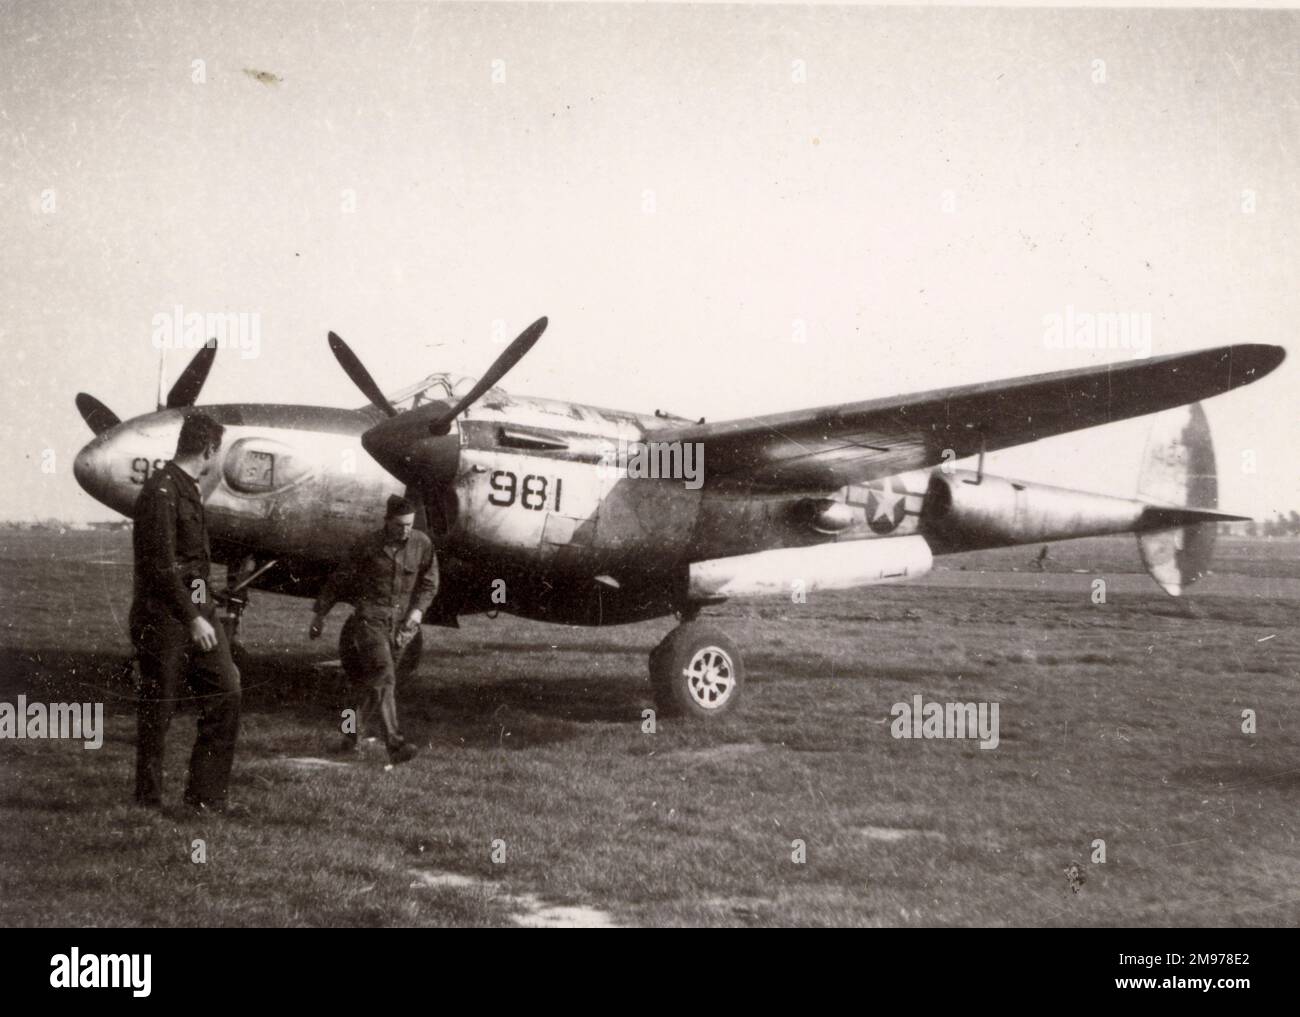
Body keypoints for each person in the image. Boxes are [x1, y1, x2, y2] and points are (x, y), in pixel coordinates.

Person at [131, 411, 243, 815]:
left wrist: (204, 610)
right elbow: (160, 565)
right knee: (159, 707)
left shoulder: (187, 488)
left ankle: (205, 797)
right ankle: (148, 800)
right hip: (162, 617)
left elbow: (193, 564)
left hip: (195, 610)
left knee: (227, 690)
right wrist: (192, 617)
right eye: (219, 449)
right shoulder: (162, 492)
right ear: (210, 449)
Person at [309, 495, 437, 765]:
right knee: (385, 677)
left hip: (403, 626)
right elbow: (340, 579)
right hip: (369, 621)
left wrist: (417, 612)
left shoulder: (421, 544)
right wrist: (320, 613)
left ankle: (348, 736)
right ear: (387, 521)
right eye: (399, 525)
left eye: (409, 525)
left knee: (372, 686)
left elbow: (429, 582)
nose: (405, 530)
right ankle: (396, 744)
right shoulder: (367, 545)